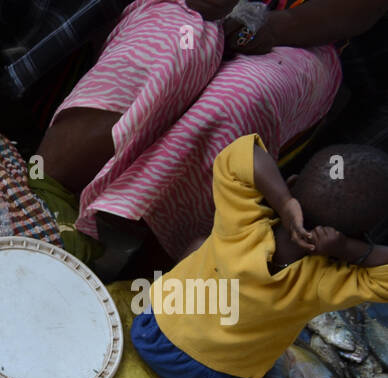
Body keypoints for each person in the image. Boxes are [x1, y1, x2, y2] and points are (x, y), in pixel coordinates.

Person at [35, 0, 388, 269]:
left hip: (302, 40)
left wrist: (275, 27)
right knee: (174, 50)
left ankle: (137, 262)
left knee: (239, 98)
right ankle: (44, 195)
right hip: (190, 5)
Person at [130, 135, 388, 378]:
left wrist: (284, 202)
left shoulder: (242, 219)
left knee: (201, 244)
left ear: (292, 182)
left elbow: (238, 155)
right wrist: (348, 249)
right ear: (361, 234)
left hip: (151, 334)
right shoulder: (329, 282)